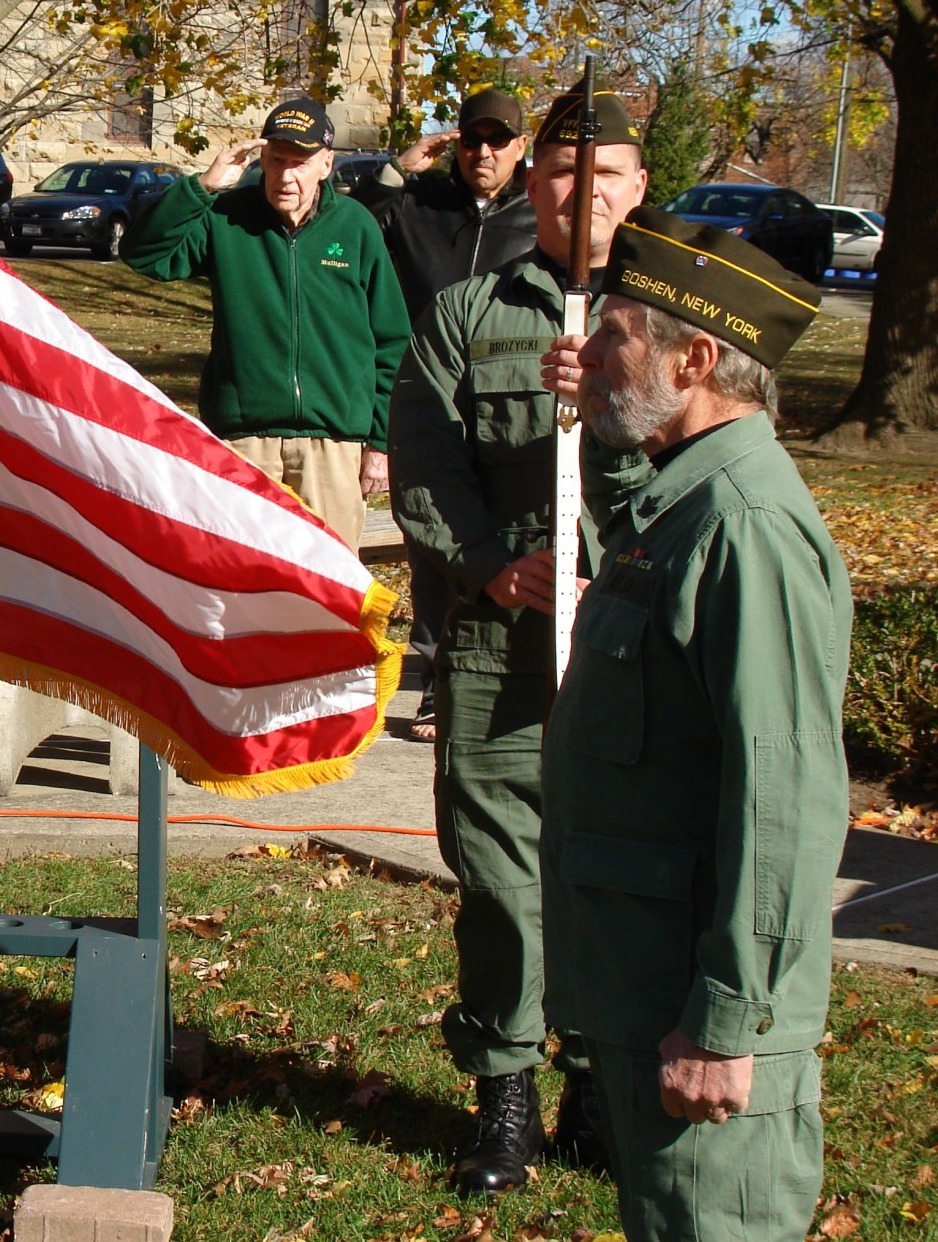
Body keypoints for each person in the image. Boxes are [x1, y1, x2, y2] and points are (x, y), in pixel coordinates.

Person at [538, 207, 846, 1242]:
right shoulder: (683, 503)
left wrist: (724, 1018)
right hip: (645, 990)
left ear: (696, 358)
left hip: (700, 1012)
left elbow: (781, 794)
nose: (588, 350)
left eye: (616, 332)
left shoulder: (744, 528)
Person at [386, 81, 651, 1194]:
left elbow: (718, 464)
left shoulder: (672, 324)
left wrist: (619, 407)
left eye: (602, 177)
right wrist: (490, 563)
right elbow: (424, 460)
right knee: (498, 876)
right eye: (556, 172)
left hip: (632, 645)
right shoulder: (464, 313)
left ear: (635, 193)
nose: (576, 192)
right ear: (528, 184)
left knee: (619, 867)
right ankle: (505, 1095)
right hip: (501, 640)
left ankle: (598, 1080)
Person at [122, 97, 409, 549]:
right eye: (277, 160)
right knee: (240, 581)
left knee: (331, 587)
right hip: (244, 441)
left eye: (301, 163)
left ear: (326, 165)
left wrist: (380, 442)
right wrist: (204, 186)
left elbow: (392, 340)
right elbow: (146, 254)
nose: (286, 176)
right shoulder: (226, 218)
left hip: (333, 446)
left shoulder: (354, 226)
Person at [357, 87, 541, 740]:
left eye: (498, 140)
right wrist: (397, 170)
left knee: (500, 535)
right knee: (434, 544)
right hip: (426, 397)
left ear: (522, 147)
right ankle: (436, 686)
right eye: (471, 140)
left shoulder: (536, 214)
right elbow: (353, 226)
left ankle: (500, 680)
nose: (483, 152)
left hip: (506, 401)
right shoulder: (418, 204)